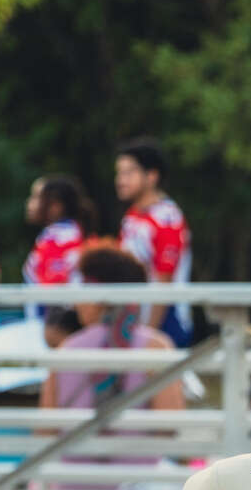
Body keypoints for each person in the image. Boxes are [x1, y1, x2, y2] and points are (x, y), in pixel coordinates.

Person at [43, 245, 184, 412]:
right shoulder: (156, 348)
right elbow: (170, 426)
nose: (76, 301)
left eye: (83, 286)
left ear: (97, 294)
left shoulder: (65, 352)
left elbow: (46, 431)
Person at [117, 137, 192, 345]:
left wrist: (147, 335)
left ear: (151, 176)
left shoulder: (167, 218)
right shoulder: (131, 217)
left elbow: (163, 281)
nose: (120, 179)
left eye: (129, 172)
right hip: (134, 319)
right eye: (119, 172)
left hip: (166, 320)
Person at [23, 172, 91, 324]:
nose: (30, 203)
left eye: (36, 197)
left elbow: (53, 291)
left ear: (56, 206)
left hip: (49, 329)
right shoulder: (68, 234)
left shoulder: (58, 239)